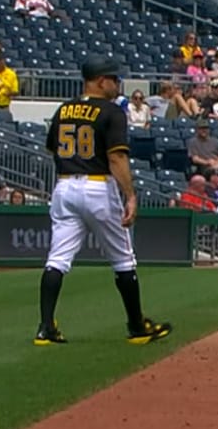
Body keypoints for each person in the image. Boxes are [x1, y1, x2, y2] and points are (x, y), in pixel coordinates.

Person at [34, 54, 172, 347]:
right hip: (97, 185)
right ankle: (137, 326)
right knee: (123, 258)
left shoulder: (64, 109)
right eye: (113, 79)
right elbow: (117, 157)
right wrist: (130, 196)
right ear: (99, 81)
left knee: (57, 259)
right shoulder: (111, 111)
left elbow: (52, 150)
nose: (117, 84)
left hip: (64, 185)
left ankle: (46, 327)